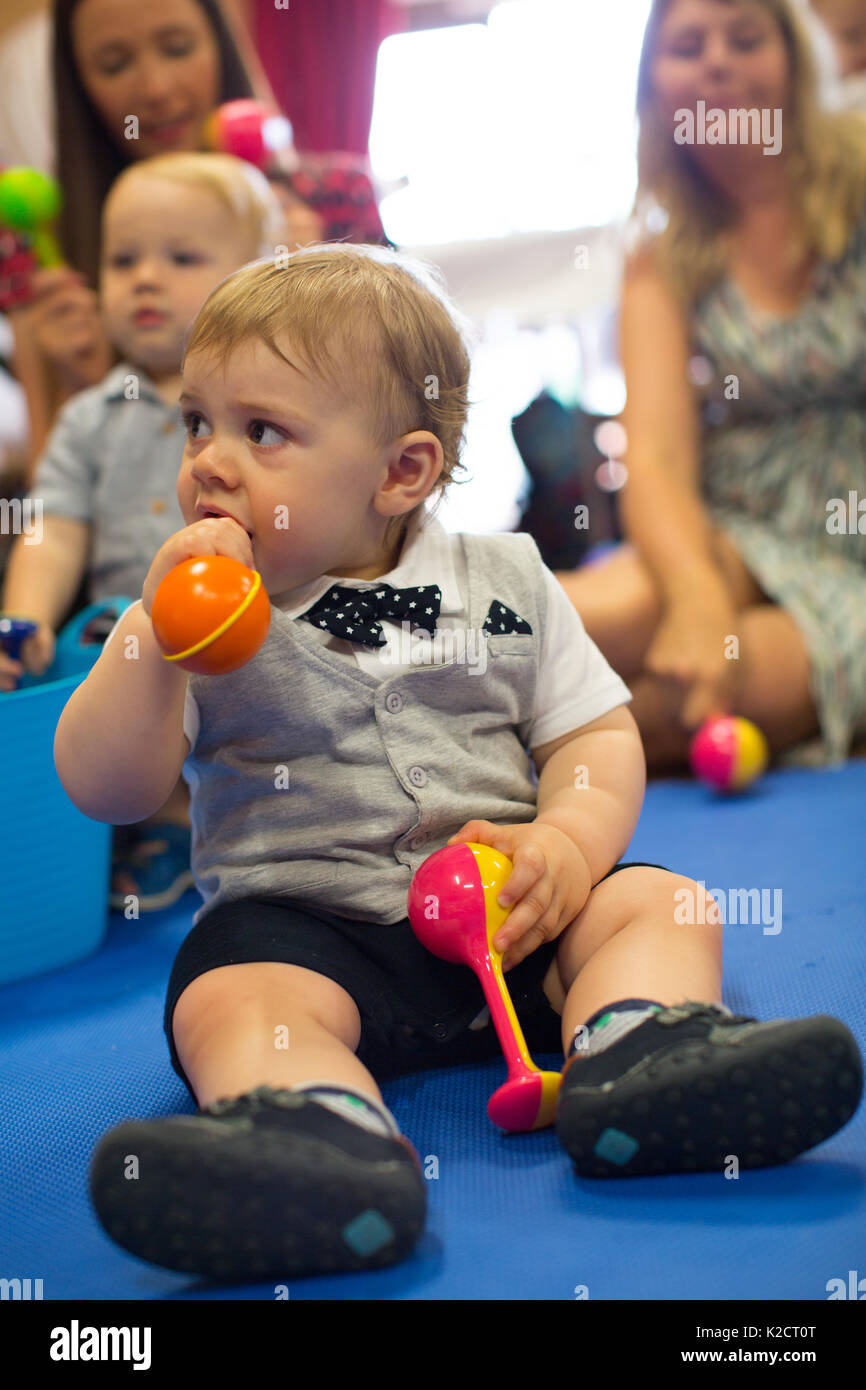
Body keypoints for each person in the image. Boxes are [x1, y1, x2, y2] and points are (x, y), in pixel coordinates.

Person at [51, 243, 861, 1282]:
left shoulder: (505, 576)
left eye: (261, 430)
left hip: (514, 913)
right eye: (197, 421)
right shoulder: (197, 619)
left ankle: (635, 1050)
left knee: (661, 903)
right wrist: (148, 641)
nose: (209, 459)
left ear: (402, 471)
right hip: (313, 936)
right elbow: (104, 786)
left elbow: (590, 735)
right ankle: (321, 1134)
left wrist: (565, 846)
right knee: (225, 989)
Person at [556, 0, 866, 773]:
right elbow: (654, 457)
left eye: (746, 37)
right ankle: (369, 636)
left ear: (795, 58)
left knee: (664, 704)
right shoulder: (659, 254)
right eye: (688, 45)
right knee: (626, 606)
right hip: (735, 530)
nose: (717, 60)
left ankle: (445, 753)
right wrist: (697, 598)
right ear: (655, 88)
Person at [0, 151, 284, 909]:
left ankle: (203, 816)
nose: (145, 277)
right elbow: (55, 527)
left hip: (236, 619)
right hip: (125, 631)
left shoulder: (271, 407)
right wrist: (20, 617)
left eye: (181, 257)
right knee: (68, 657)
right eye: (124, 259)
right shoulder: (93, 414)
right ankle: (130, 820)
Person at [8, 0, 270, 473]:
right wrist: (73, 385)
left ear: (220, 44)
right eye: (115, 64)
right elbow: (52, 507)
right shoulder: (41, 261)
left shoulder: (320, 209)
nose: (156, 89)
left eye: (177, 48)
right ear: (79, 86)